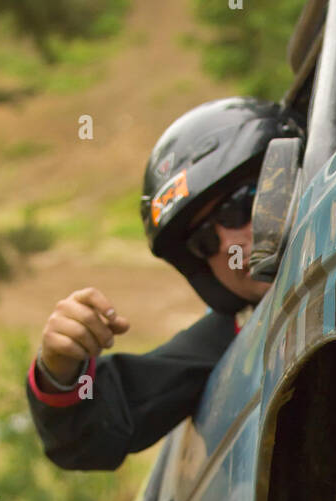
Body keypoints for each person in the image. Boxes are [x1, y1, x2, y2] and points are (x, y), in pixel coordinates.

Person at [26, 97, 295, 473]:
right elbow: (88, 439)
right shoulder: (231, 337)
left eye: (236, 206)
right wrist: (59, 369)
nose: (228, 245)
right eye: (203, 240)